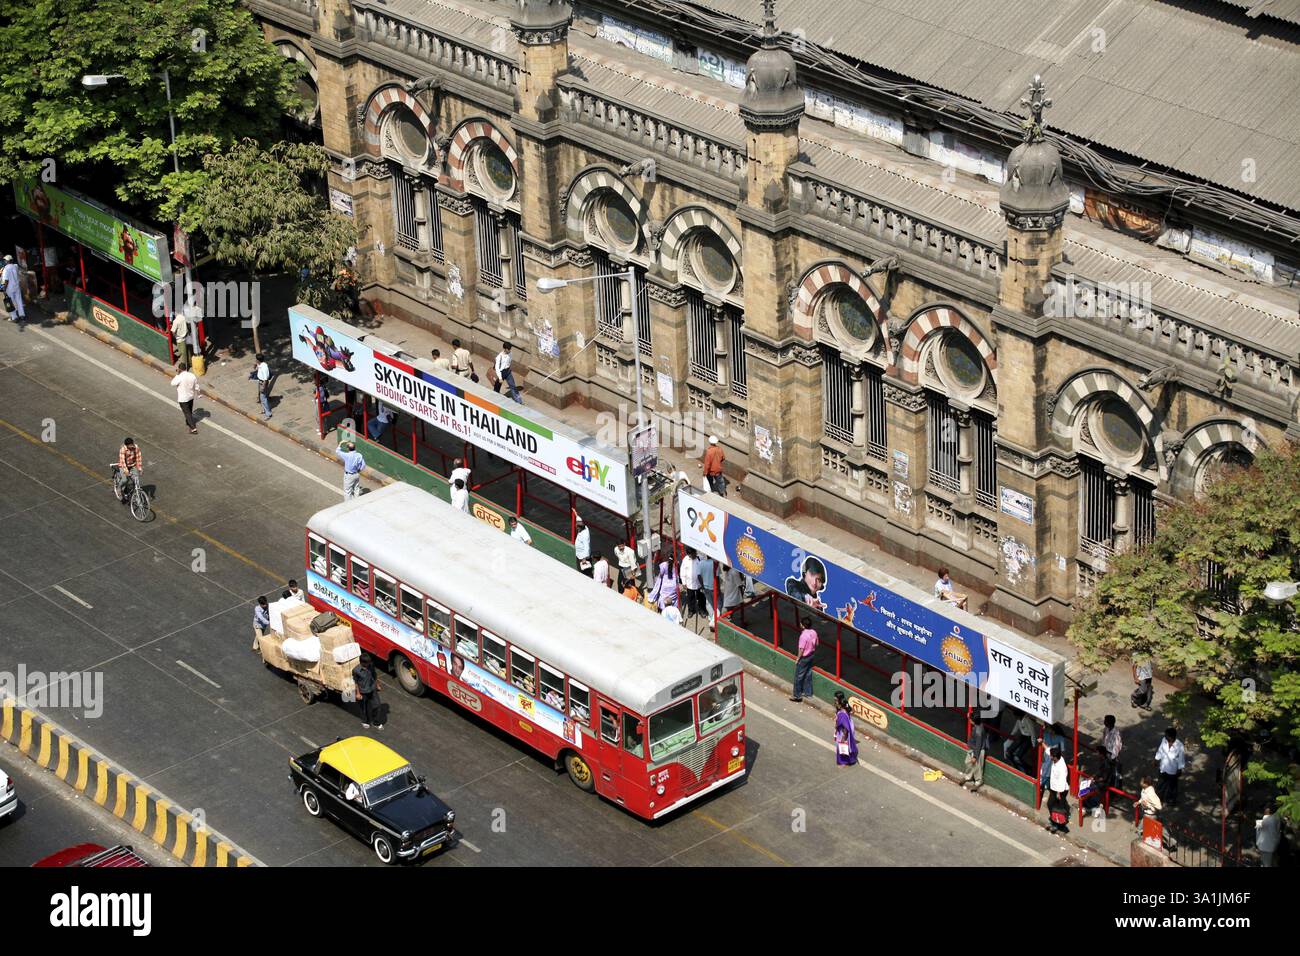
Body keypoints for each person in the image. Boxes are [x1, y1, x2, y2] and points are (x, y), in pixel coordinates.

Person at [1154, 727, 1186, 807]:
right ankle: (1158, 799)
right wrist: (1156, 759)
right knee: (1160, 785)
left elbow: (1181, 759)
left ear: (1172, 737)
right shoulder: (1164, 740)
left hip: (1172, 770)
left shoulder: (1180, 746)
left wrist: (1180, 769)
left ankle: (1170, 800)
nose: (1165, 737)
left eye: (1167, 736)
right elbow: (1160, 750)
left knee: (1172, 787)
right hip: (1163, 768)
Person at [790, 617, 818, 703]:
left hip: (804, 658)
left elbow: (801, 650)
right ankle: (808, 693)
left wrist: (798, 659)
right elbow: (817, 643)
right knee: (808, 674)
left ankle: (797, 695)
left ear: (803, 625)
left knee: (799, 676)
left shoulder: (803, 636)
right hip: (811, 655)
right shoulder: (814, 632)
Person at [352, 654, 383, 729]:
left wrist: (377, 685)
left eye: (369, 662)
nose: (369, 664)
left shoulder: (371, 666)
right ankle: (365, 721)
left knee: (377, 705)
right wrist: (358, 693)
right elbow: (356, 683)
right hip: (362, 691)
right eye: (367, 663)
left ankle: (376, 723)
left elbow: (374, 676)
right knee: (363, 708)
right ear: (362, 662)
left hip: (372, 689)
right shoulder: (356, 670)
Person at [170, 362, 199, 434]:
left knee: (187, 413)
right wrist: (198, 393)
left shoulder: (179, 377)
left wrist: (177, 374)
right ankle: (188, 422)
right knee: (189, 411)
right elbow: (196, 386)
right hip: (191, 396)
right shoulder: (192, 375)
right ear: (185, 368)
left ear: (179, 369)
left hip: (183, 398)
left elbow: (172, 383)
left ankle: (193, 428)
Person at [1046, 747, 1071, 833]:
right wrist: (1042, 743)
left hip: (1060, 790)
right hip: (1054, 788)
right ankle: (1055, 820)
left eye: (1051, 756)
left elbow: (1062, 781)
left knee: (1057, 807)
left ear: (1055, 757)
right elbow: (1048, 750)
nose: (1050, 757)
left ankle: (1057, 824)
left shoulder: (1061, 767)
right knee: (1051, 804)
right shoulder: (1058, 758)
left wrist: (1058, 793)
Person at [961, 715, 988, 790]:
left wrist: (975, 756)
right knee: (968, 763)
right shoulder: (979, 726)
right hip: (973, 749)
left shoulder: (978, 731)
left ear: (973, 722)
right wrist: (969, 716)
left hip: (977, 751)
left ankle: (978, 782)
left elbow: (978, 745)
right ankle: (968, 776)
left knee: (977, 768)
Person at [1039, 722, 1067, 791]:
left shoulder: (1060, 738)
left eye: (1050, 729)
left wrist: (1061, 762)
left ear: (1053, 731)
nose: (1048, 730)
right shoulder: (1046, 734)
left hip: (1053, 757)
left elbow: (1063, 751)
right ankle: (1042, 785)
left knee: (1049, 772)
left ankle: (1044, 786)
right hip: (1046, 756)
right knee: (1044, 771)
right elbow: (1043, 747)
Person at [833, 691, 858, 766]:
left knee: (844, 744)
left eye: (836, 700)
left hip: (844, 729)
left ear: (840, 700)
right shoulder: (842, 706)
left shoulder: (842, 713)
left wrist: (843, 737)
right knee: (847, 744)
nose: (834, 702)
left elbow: (845, 728)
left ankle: (845, 761)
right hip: (846, 725)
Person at [115, 437, 143, 502]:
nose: (132, 446)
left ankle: (136, 494)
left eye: (132, 444)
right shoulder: (123, 449)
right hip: (123, 466)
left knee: (136, 480)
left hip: (132, 465)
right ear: (126, 445)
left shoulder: (136, 447)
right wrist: (126, 471)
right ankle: (119, 488)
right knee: (125, 480)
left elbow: (138, 458)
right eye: (130, 445)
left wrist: (140, 468)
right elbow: (122, 461)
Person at [1100, 714, 1123, 791]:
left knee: (1114, 773)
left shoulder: (1116, 733)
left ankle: (1114, 789)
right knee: (1105, 771)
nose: (1104, 722)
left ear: (1109, 723)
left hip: (1112, 756)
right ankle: (1105, 785)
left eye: (1105, 721)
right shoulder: (1106, 729)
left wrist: (1112, 757)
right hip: (1106, 754)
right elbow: (1104, 740)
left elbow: (1117, 747)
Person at [1255, 803, 1281, 867]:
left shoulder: (1268, 820)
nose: (1263, 810)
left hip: (1266, 847)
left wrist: (1245, 818)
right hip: (1272, 844)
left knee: (1266, 864)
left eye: (1265, 809)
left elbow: (1257, 825)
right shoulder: (1276, 817)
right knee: (1272, 861)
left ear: (1268, 810)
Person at [2, 254, 25, 322]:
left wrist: (4, 288)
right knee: (19, 301)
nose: (4, 261)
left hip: (10, 288)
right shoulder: (15, 266)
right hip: (16, 286)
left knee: (10, 302)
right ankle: (22, 315)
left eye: (5, 260)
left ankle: (14, 317)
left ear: (7, 261)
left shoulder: (6, 269)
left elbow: (6, 280)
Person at [679, 549, 700, 618]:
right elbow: (682, 571)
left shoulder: (699, 558)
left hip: (699, 583)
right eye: (690, 555)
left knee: (700, 597)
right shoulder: (685, 560)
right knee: (690, 598)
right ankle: (691, 610)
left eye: (693, 554)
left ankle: (702, 610)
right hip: (689, 584)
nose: (692, 556)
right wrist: (684, 582)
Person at [696, 551, 716, 619]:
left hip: (705, 587)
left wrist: (702, 586)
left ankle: (711, 616)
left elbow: (698, 576)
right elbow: (717, 577)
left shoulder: (701, 563)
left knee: (708, 602)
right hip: (713, 587)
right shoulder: (715, 564)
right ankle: (715, 617)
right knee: (715, 602)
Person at [252, 353, 272, 419]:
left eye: (256, 359)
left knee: (263, 398)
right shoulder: (259, 364)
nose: (255, 360)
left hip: (263, 383)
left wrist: (263, 387)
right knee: (261, 397)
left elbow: (266, 379)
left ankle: (268, 414)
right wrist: (255, 364)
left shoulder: (264, 367)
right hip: (260, 381)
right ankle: (264, 410)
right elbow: (254, 368)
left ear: (258, 360)